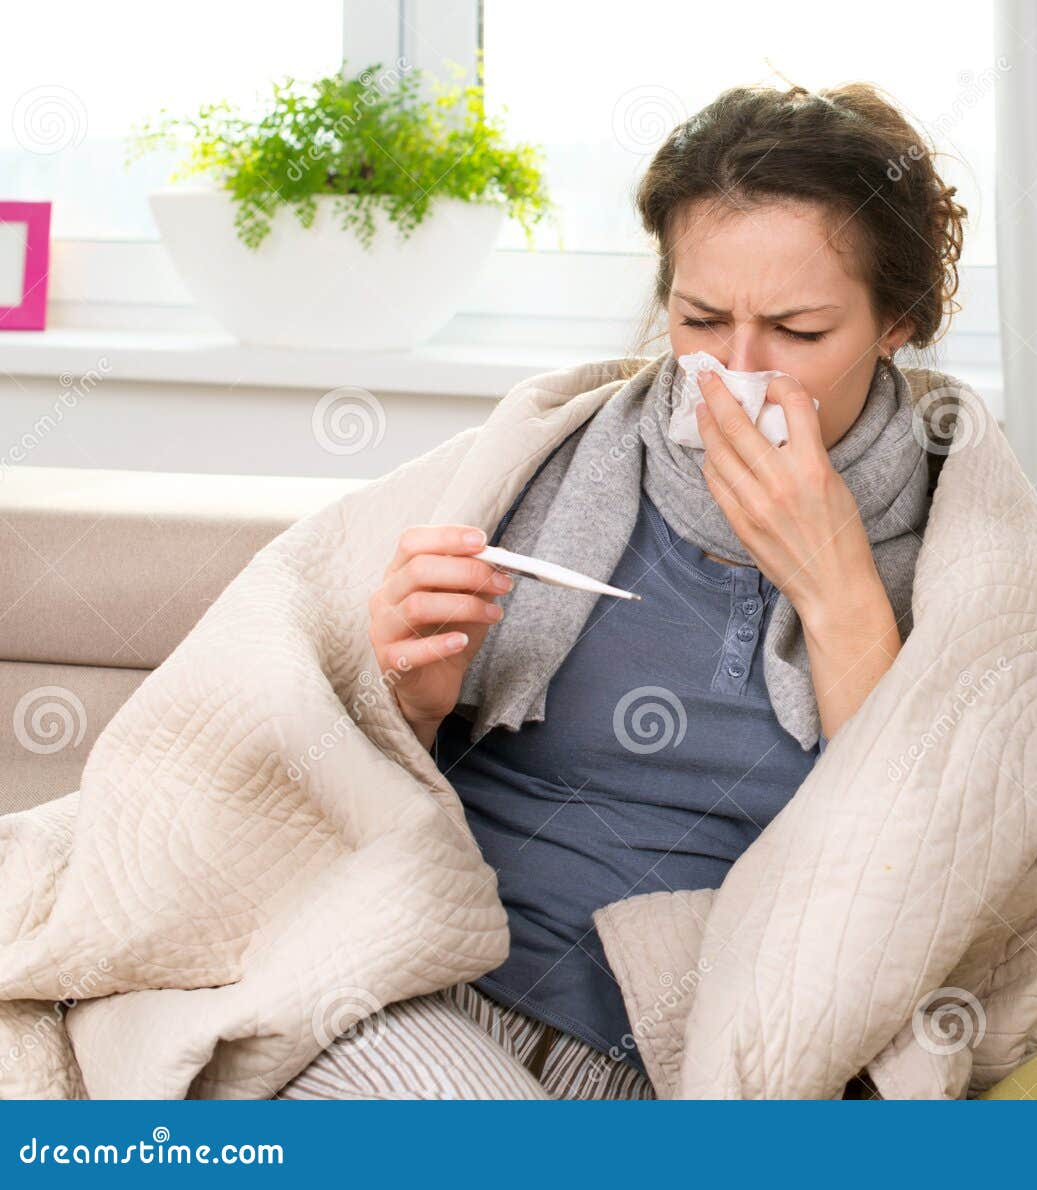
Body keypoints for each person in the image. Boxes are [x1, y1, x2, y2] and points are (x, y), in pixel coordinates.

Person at [277, 80, 968, 1100]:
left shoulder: (957, 546)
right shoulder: (544, 464)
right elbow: (308, 786)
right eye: (698, 318)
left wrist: (837, 589)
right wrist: (409, 696)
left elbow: (909, 869)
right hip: (411, 984)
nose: (732, 372)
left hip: (676, 1044)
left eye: (797, 330)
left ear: (897, 321)